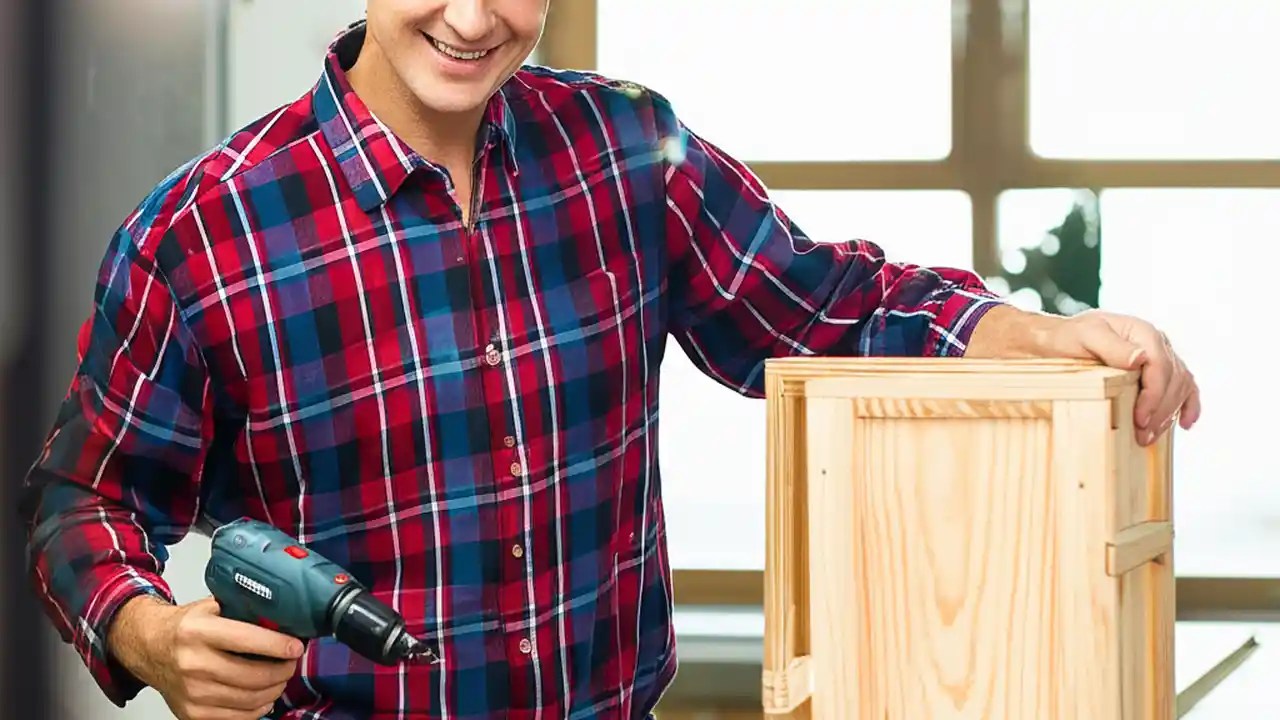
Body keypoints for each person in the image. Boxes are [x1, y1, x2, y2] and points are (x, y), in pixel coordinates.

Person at [19, 2, 1200, 719]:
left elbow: (823, 304)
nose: (476, 19)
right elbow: (85, 500)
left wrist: (1033, 333)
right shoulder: (204, 233)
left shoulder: (628, 149)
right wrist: (149, 636)